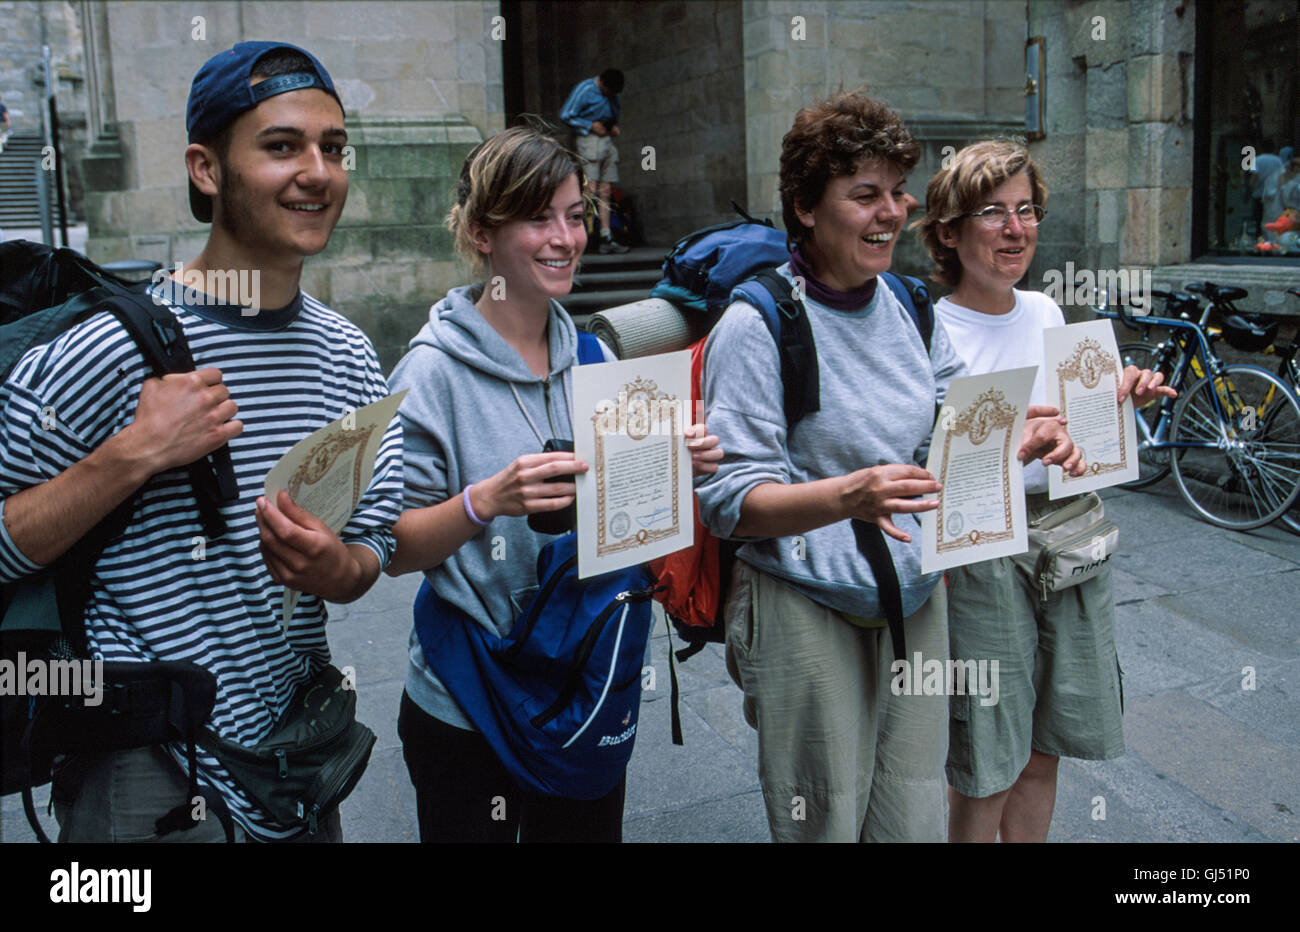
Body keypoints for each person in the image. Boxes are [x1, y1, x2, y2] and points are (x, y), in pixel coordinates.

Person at [0, 42, 402, 842]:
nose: (318, 172)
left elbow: (375, 544)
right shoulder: (110, 348)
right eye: (282, 146)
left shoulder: (349, 353)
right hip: (147, 774)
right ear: (207, 169)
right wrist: (134, 454)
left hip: (295, 762)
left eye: (333, 147)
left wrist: (338, 567)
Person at [693, 92, 1082, 843]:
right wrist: (848, 495)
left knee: (909, 820)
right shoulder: (758, 323)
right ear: (806, 207)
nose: (891, 213)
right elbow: (730, 501)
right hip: (805, 602)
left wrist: (1015, 435)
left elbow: (945, 427)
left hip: (915, 594)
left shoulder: (910, 305)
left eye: (897, 192)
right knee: (826, 820)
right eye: (863, 195)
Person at [386, 125, 720, 843]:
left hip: (581, 683)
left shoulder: (597, 356)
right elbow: (391, 546)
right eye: (539, 217)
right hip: (465, 699)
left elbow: (621, 524)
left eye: (575, 215)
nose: (565, 238)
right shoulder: (429, 373)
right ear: (482, 232)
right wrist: (486, 501)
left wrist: (671, 467)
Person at [914, 138, 1175, 843]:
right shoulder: (929, 329)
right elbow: (927, 467)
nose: (1016, 229)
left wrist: (1119, 403)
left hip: (1067, 532)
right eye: (992, 212)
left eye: (1026, 210)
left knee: (1045, 741)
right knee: (985, 753)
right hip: (979, 548)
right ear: (947, 230)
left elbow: (1072, 438)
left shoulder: (1048, 314)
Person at [560, 68, 628, 254]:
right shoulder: (585, 89)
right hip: (589, 139)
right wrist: (589, 125)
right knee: (590, 188)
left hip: (607, 140)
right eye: (608, 91)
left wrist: (613, 126)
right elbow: (566, 114)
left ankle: (606, 235)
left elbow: (614, 112)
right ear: (603, 84)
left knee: (606, 190)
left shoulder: (613, 94)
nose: (610, 95)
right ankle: (585, 234)